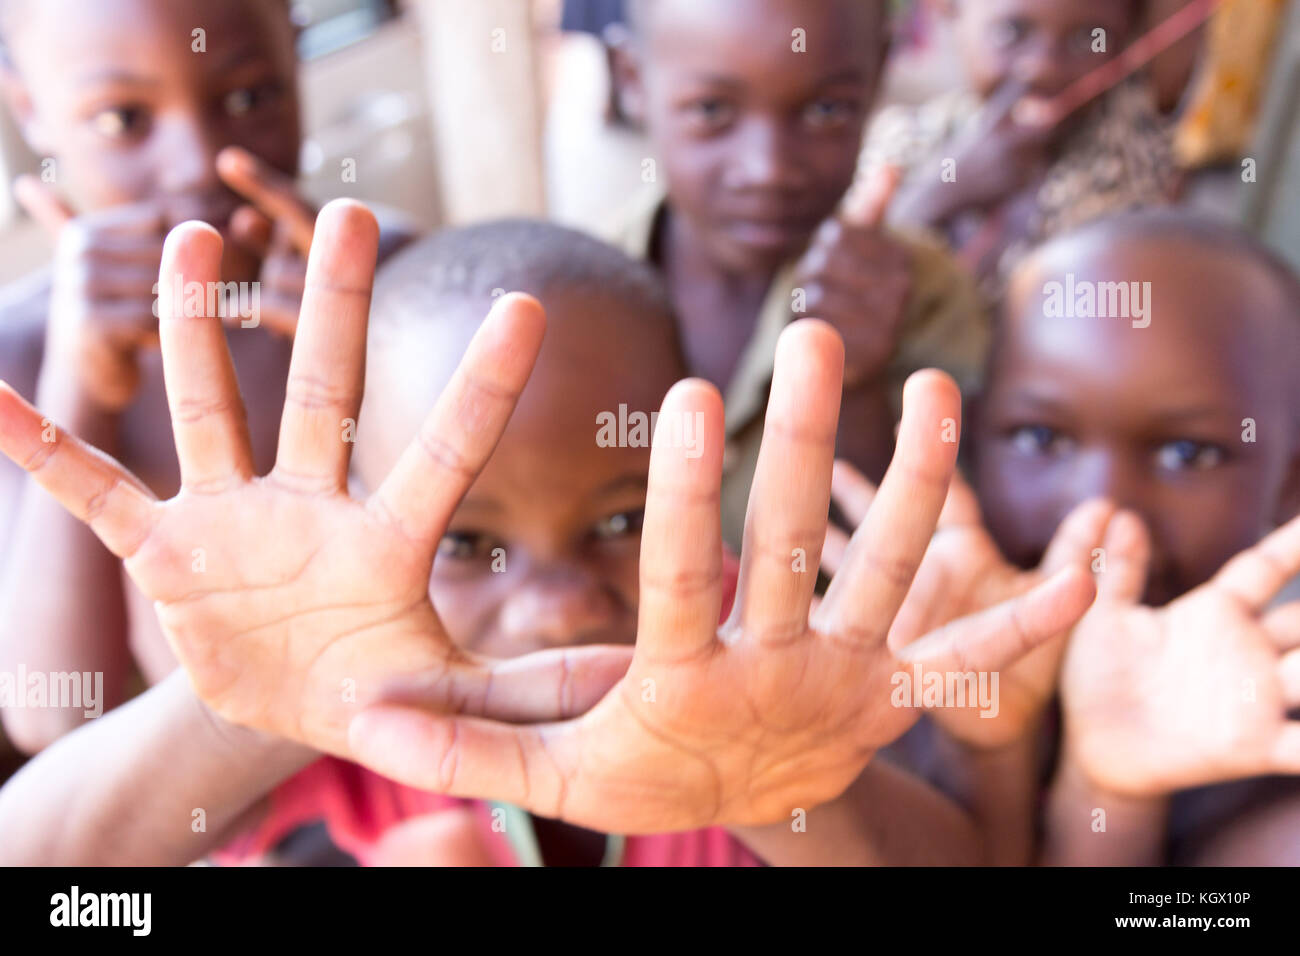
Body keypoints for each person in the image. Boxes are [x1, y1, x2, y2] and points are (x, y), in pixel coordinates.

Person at [0, 201, 1095, 864]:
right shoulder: (350, 702)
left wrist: (796, 803)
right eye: (467, 543)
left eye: (622, 517)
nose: (559, 605)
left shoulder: (740, 647)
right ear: (359, 515)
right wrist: (237, 716)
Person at [0, 0, 413, 752]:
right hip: (235, 814)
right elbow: (56, 716)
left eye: (250, 96)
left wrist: (378, 353)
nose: (199, 162)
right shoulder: (21, 361)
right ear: (29, 109)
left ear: (296, 58)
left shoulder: (396, 278)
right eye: (124, 118)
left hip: (423, 763)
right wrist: (80, 392)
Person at [607, 0, 990, 546]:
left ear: (878, 72)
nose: (769, 170)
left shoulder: (924, 291)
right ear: (632, 78)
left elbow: (937, 565)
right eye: (713, 109)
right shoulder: (582, 293)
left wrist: (851, 386)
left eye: (826, 110)